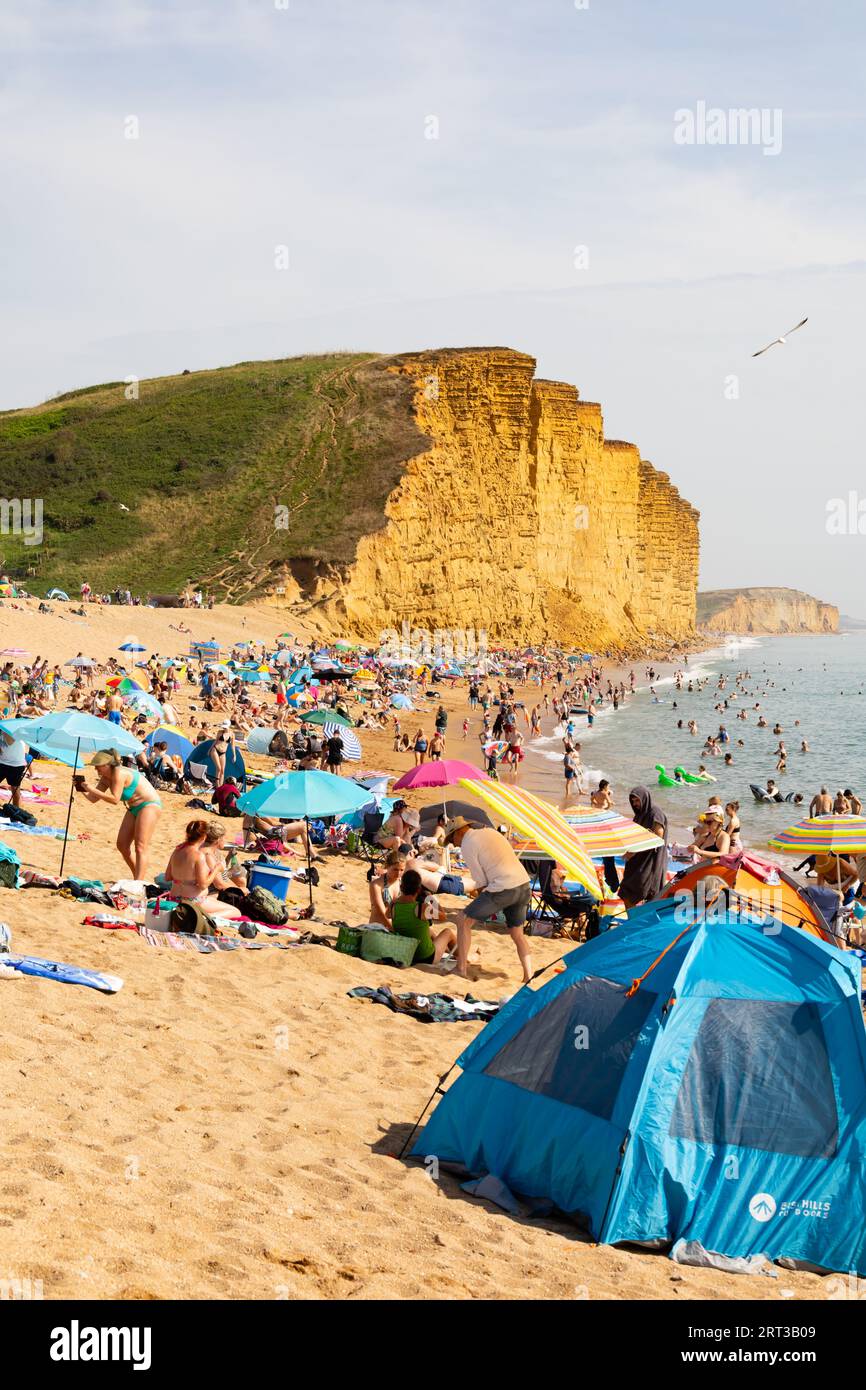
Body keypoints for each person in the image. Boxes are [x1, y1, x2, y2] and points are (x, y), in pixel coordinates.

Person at [443, 816, 532, 984]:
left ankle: (461, 968)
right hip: (523, 884)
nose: (453, 844)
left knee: (463, 919)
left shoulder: (468, 844)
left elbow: (480, 881)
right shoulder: (490, 831)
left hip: (504, 887)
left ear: (459, 833)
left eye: (451, 839)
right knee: (517, 934)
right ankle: (528, 976)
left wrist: (472, 895)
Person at [75, 750, 161, 879]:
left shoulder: (119, 773)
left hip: (149, 805)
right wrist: (80, 787)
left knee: (140, 846)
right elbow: (93, 798)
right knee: (122, 845)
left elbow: (115, 799)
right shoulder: (105, 778)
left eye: (98, 766)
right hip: (133, 807)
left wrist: (91, 789)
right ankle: (138, 878)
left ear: (107, 765)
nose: (96, 769)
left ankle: (138, 883)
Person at [390, 869, 457, 965]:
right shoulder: (422, 908)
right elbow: (443, 916)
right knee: (448, 932)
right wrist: (431, 898)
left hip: (406, 953)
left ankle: (448, 951)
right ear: (418, 889)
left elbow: (387, 915)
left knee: (428, 931)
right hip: (425, 957)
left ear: (401, 887)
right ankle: (463, 958)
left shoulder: (393, 905)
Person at [165, 819, 232, 914]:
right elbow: (203, 885)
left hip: (173, 898)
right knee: (235, 911)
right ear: (204, 837)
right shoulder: (198, 855)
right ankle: (204, 919)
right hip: (192, 901)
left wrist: (184, 878)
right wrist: (216, 869)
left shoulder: (177, 850)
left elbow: (168, 877)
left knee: (214, 898)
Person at [619, 786, 668, 909]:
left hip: (650, 862)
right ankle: (634, 922)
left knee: (643, 894)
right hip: (637, 861)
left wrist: (634, 852)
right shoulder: (639, 815)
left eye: (637, 801)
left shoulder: (655, 813)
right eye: (633, 801)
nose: (635, 804)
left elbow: (658, 837)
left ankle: (636, 923)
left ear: (645, 798)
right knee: (626, 892)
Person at [0, 728, 29, 808]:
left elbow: (9, 742)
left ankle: (16, 812)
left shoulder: (12, 728)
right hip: (2, 762)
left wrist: (3, 728)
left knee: (15, 790)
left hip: (16, 765)